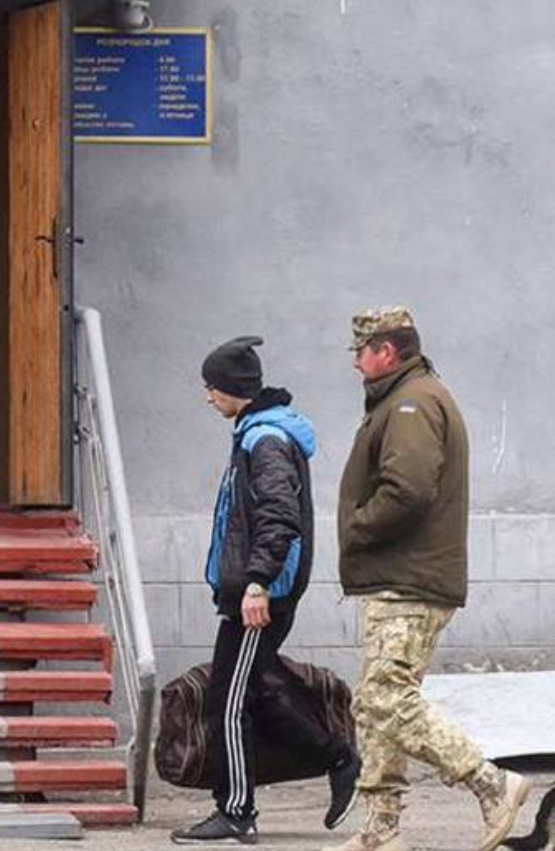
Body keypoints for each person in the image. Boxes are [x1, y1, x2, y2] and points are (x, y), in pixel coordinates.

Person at [331, 307, 528, 851]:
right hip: (397, 578)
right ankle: (380, 831)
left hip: (408, 580)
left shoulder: (412, 404)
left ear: (387, 351)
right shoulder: (403, 398)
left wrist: (357, 528)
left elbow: (409, 489)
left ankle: (491, 782)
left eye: (360, 351)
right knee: (374, 703)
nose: (354, 362)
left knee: (386, 697)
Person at [174, 336, 360, 845]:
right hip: (256, 590)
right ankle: (337, 757)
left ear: (233, 389)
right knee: (247, 691)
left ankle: (236, 811)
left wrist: (257, 583)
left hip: (262, 594)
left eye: (212, 386)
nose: (208, 395)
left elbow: (278, 519)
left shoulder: (266, 440)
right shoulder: (257, 433)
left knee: (226, 702)